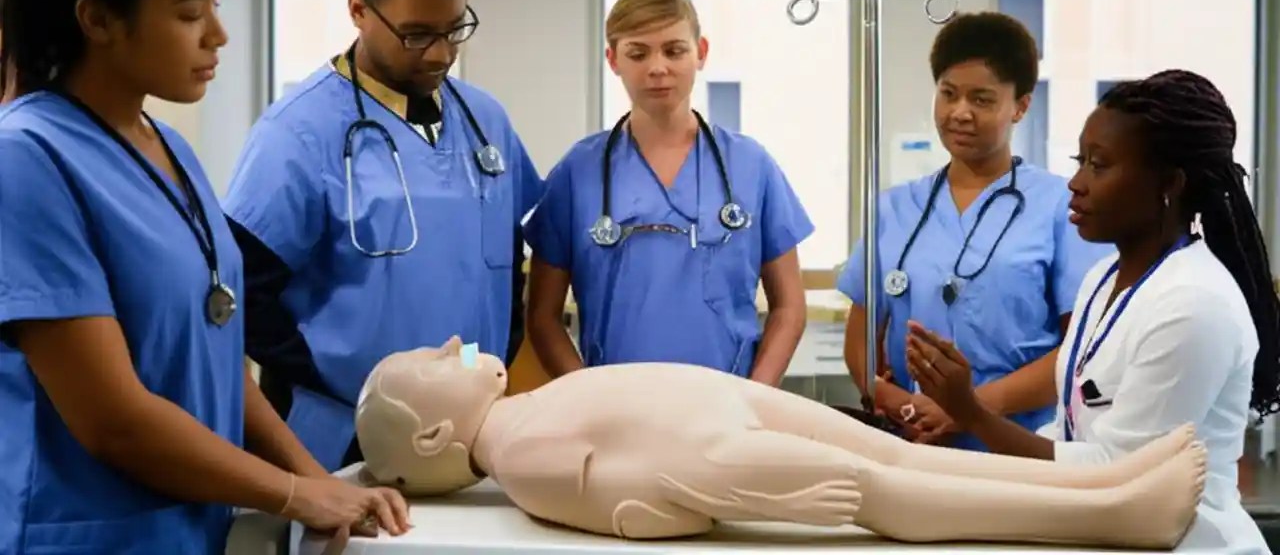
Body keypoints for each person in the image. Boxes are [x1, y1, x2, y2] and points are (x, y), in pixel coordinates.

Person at [0, 0, 408, 555]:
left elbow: (215, 363)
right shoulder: (26, 160)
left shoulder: (165, 148)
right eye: (190, 12)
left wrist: (321, 482)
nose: (218, 34)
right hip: (83, 539)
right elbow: (113, 418)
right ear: (97, 18)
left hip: (191, 533)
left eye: (216, 4)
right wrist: (291, 493)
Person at [354, 337, 1207, 550]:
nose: (449, 345)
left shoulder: (532, 408)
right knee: (883, 490)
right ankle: (1114, 517)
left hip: (730, 403)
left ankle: (1109, 481)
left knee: (899, 457)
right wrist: (751, 485)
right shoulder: (522, 459)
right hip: (724, 445)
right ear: (433, 433)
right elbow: (640, 507)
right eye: (429, 364)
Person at [224, 0, 542, 474]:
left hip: (464, 431)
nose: (442, 53)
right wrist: (355, 379)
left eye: (454, 29)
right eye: (417, 35)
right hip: (342, 433)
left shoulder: (486, 121)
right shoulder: (297, 132)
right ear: (358, 11)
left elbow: (503, 266)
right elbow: (242, 295)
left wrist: (475, 377)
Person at [908, 69, 1276, 553]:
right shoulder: (1104, 279)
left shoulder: (1192, 306)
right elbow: (1067, 434)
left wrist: (971, 412)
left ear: (1168, 183)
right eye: (1079, 161)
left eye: (1098, 166)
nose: (1076, 184)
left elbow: (1116, 477)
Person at [838, 12, 1112, 450]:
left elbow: (1079, 348)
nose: (959, 113)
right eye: (948, 94)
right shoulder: (894, 209)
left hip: (1019, 446)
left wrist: (968, 408)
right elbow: (861, 340)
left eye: (982, 100)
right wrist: (896, 402)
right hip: (912, 444)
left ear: (1020, 106)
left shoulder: (1061, 206)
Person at [523, 0, 812, 385]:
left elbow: (790, 307)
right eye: (638, 53)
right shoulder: (579, 171)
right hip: (617, 413)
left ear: (702, 53)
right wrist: (588, 400)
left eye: (674, 50)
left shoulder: (750, 166)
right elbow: (541, 316)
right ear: (613, 60)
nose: (657, 67)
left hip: (728, 407)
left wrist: (755, 397)